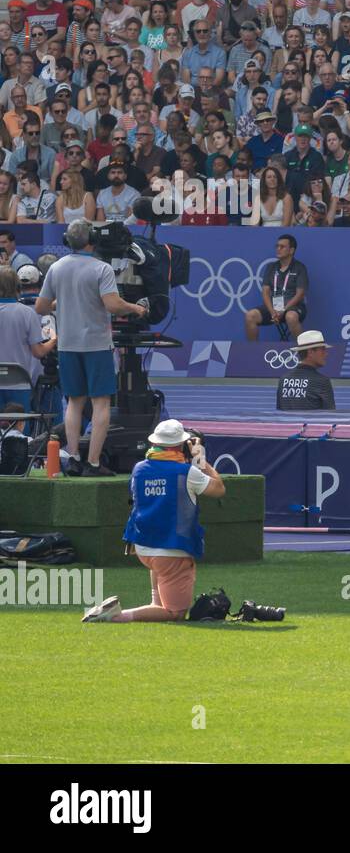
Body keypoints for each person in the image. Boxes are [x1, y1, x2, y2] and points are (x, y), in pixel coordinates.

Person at [80, 419, 229, 624]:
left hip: (143, 546)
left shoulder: (139, 468)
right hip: (171, 548)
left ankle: (132, 611)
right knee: (174, 613)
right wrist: (200, 458)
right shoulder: (187, 473)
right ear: (181, 444)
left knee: (158, 606)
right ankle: (116, 616)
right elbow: (219, 489)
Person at [33, 220, 147, 476]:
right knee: (101, 403)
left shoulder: (57, 267)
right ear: (92, 239)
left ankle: (72, 458)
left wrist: (65, 304)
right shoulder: (102, 268)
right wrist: (135, 308)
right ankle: (93, 462)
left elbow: (41, 307)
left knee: (74, 402)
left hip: (68, 345)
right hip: (96, 345)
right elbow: (113, 305)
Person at [0, 267, 57, 411]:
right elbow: (38, 352)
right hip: (19, 383)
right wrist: (54, 339)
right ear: (17, 286)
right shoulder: (27, 314)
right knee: (19, 427)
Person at [244, 235, 308, 341]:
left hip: (293, 307)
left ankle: (303, 352)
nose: (278, 249)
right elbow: (265, 292)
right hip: (273, 309)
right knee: (250, 316)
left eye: (282, 247)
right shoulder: (271, 267)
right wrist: (272, 311)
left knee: (291, 317)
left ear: (291, 250)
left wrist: (283, 310)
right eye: (277, 246)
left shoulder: (300, 268)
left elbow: (300, 294)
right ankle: (253, 352)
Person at [275, 330, 336, 411]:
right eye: (322, 350)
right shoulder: (322, 382)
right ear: (310, 352)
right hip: (310, 424)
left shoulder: (283, 380)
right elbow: (330, 416)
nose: (326, 354)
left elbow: (279, 413)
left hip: (289, 424)